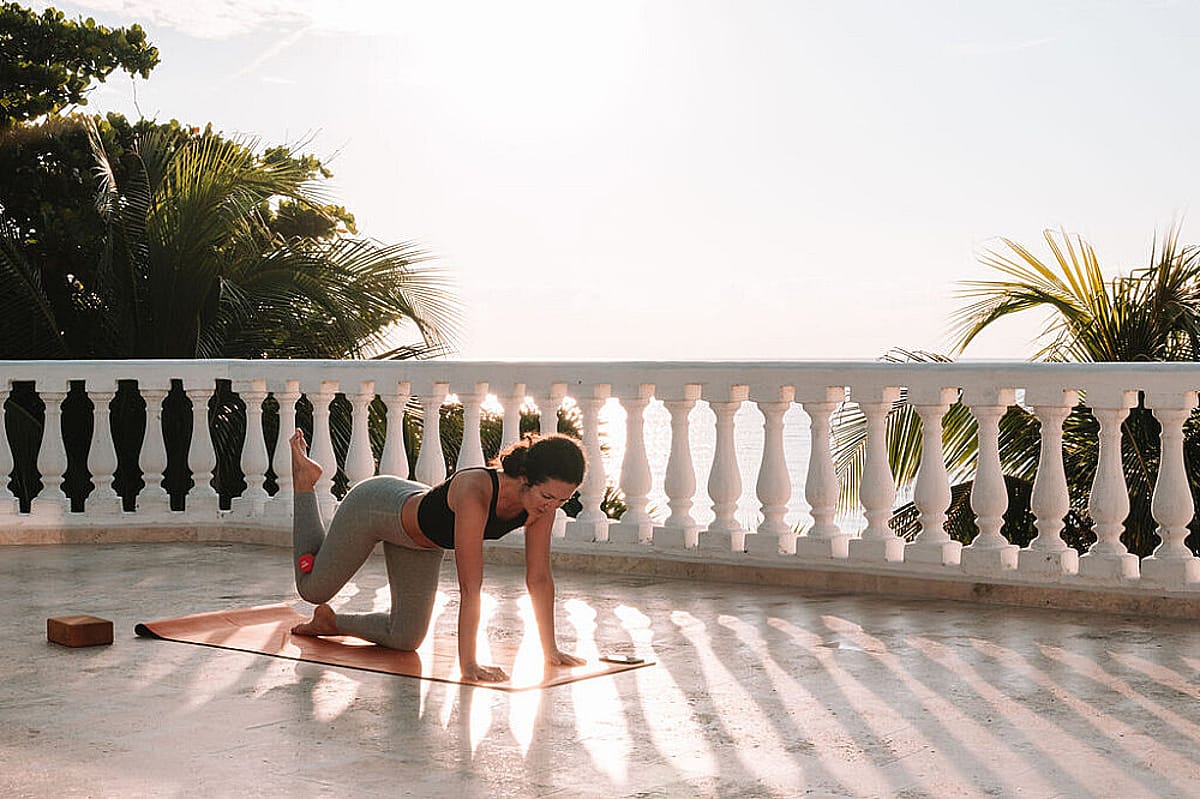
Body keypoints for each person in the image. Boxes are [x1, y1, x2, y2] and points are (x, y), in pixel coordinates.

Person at [288, 428, 587, 682]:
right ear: (524, 479)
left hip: (422, 541)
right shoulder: (476, 493)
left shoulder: (542, 507)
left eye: (563, 500)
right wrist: (469, 664)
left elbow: (539, 578)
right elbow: (470, 586)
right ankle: (304, 482)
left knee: (405, 638)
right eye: (548, 496)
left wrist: (550, 649)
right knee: (312, 589)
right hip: (377, 509)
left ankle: (331, 622)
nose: (552, 506)